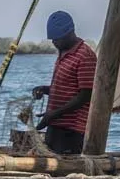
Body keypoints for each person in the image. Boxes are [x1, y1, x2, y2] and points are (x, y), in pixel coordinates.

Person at [31, 10, 97, 156]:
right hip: (56, 125)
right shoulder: (64, 52)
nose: (54, 43)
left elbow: (85, 95)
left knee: (66, 167)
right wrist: (45, 89)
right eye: (52, 39)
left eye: (57, 39)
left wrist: (53, 114)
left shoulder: (85, 56)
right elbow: (67, 87)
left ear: (69, 33)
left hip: (72, 130)